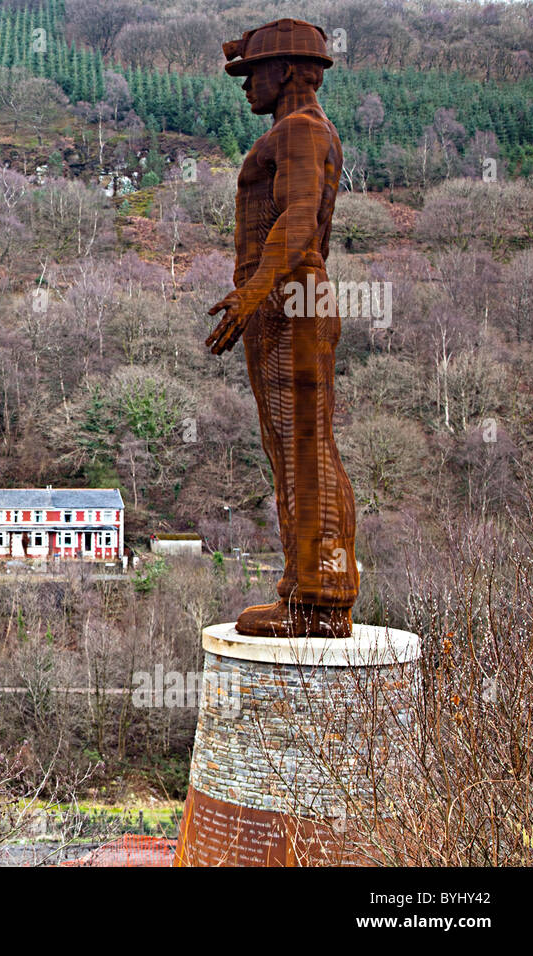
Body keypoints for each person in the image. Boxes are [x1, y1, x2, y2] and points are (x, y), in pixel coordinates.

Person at [206, 18, 357, 637]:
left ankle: (320, 599)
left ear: (291, 70)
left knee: (303, 446)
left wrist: (252, 294)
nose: (245, 88)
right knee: (293, 444)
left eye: (253, 74)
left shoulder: (298, 130)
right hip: (288, 296)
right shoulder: (304, 131)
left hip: (289, 297)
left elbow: (297, 219)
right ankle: (307, 586)